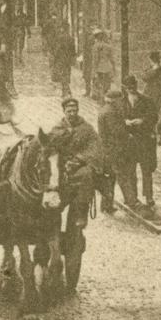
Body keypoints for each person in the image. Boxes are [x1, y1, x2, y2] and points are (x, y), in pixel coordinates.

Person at [46, 96, 102, 291]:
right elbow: (49, 147)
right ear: (64, 111)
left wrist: (78, 160)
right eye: (69, 110)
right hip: (61, 172)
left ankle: (79, 214)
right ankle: (48, 216)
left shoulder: (86, 129)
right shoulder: (58, 128)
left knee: (87, 176)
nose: (72, 113)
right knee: (48, 180)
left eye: (75, 109)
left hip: (78, 171)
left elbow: (95, 149)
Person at [122, 74, 158, 207]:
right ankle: (133, 197)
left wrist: (142, 121)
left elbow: (154, 117)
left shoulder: (147, 100)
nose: (132, 89)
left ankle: (148, 196)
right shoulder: (121, 102)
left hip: (144, 141)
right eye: (129, 88)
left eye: (134, 86)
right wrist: (125, 122)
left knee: (146, 170)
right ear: (125, 88)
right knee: (130, 171)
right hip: (129, 142)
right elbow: (116, 119)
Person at [96, 87, 131, 215]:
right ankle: (107, 205)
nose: (121, 102)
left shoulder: (105, 109)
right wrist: (127, 128)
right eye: (120, 100)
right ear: (115, 100)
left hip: (106, 149)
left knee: (109, 178)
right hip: (111, 150)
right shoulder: (110, 112)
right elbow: (116, 131)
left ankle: (106, 205)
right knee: (111, 177)